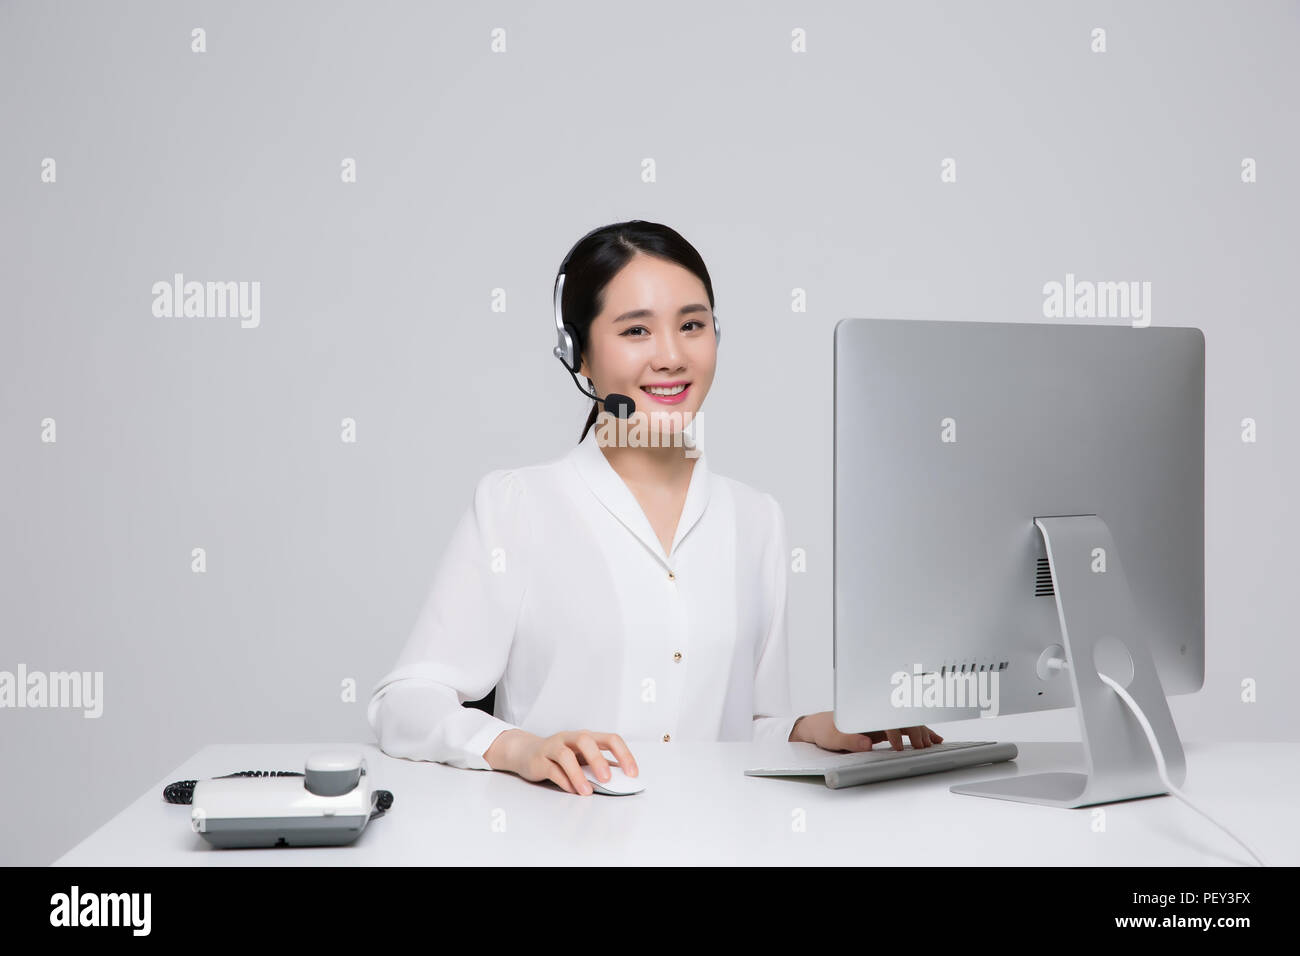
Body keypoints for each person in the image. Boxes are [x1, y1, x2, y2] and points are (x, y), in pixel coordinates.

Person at [367, 220, 940, 796]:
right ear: (578, 354)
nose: (671, 355)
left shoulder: (758, 519)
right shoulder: (517, 506)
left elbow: (745, 728)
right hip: (559, 840)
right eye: (636, 330)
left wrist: (815, 730)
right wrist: (518, 747)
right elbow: (405, 703)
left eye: (692, 325)